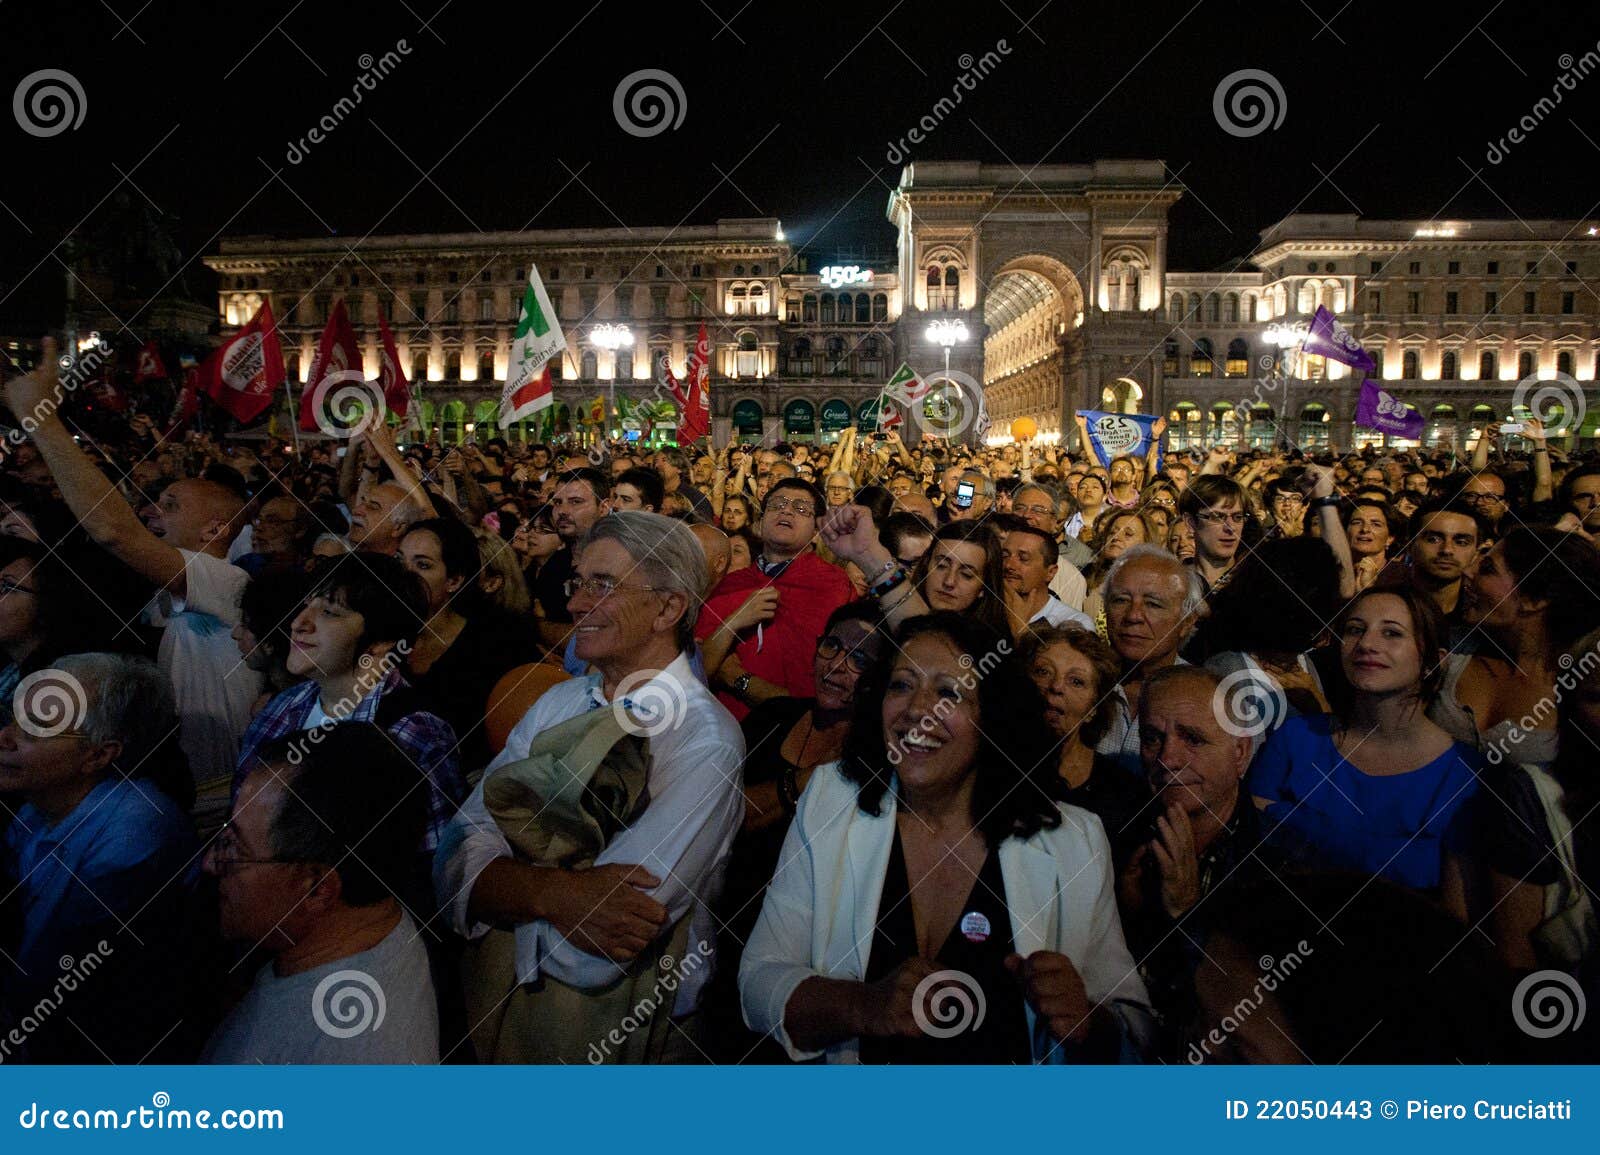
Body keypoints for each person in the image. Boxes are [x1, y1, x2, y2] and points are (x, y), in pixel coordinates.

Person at [739, 612, 1151, 1063]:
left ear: (993, 715)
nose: (917, 709)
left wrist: (1088, 1022)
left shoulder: (1074, 839)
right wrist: (865, 1005)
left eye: (949, 692)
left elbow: (1135, 1027)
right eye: (901, 684)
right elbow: (759, 982)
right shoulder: (831, 799)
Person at [436, 513, 744, 1062]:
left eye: (602, 586)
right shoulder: (558, 702)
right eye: (577, 584)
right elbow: (456, 852)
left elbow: (598, 948)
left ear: (668, 608)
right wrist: (553, 894)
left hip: (633, 1037)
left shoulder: (706, 740)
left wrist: (499, 893)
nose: (576, 605)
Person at [5, 347, 264, 781]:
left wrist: (41, 419)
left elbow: (113, 531)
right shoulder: (161, 587)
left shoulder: (228, 581)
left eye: (171, 506)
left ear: (215, 531)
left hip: (216, 792)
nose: (151, 513)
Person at [707, 601, 887, 1059]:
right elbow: (720, 817)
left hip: (808, 954)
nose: (838, 665)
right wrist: (804, 781)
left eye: (861, 658)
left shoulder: (878, 760)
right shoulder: (774, 718)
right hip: (723, 928)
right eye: (832, 645)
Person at [0, 653, 199, 1063]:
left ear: (99, 755)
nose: (5, 736)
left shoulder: (137, 835)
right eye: (15, 718)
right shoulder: (38, 808)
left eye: (36, 728)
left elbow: (45, 985)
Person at [202, 725, 438, 1064]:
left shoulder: (351, 1055)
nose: (209, 863)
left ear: (316, 889)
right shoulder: (370, 921)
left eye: (234, 848)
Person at [1247, 587, 1483, 891]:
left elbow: (1455, 909)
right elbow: (1253, 846)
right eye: (1356, 630)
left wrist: (1294, 821)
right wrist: (1393, 853)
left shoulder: (1464, 773)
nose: (1367, 644)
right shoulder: (1295, 739)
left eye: (1392, 634)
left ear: (1433, 662)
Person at [233, 554, 464, 861]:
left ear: (382, 641)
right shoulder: (285, 706)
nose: (299, 623)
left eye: (329, 612)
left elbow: (430, 865)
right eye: (306, 605)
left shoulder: (411, 734)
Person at [1117, 665, 1264, 1058]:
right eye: (1152, 738)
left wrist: (1186, 912)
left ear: (1240, 752)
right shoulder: (1111, 838)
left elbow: (1255, 1018)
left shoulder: (1282, 863)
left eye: (1193, 739)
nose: (1167, 758)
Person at [1429, 527, 1600, 768]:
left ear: (1535, 600)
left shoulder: (1585, 682)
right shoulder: (1450, 649)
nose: (1468, 571)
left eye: (1487, 569)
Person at [697, 480, 853, 721]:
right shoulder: (729, 584)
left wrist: (737, 678)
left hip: (805, 730)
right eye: (776, 505)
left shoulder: (835, 585)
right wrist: (733, 623)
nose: (786, 510)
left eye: (801, 508)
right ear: (759, 522)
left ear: (816, 530)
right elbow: (695, 673)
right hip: (724, 729)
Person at [396, 517, 540, 774]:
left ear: (454, 580)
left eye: (422, 565)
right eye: (399, 561)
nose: (405, 575)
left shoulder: (497, 644)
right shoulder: (379, 632)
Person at [1021, 625, 1151, 869]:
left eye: (1076, 681)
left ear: (1094, 707)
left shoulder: (1127, 797)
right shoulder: (993, 776)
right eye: (1043, 671)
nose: (1056, 687)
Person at [1095, 546, 1204, 775]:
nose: (1133, 616)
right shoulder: (1078, 683)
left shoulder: (1208, 701)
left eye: (1153, 604)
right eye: (1121, 600)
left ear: (1186, 621)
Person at [531, 468, 612, 650]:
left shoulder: (618, 563)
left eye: (576, 502)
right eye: (558, 502)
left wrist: (538, 626)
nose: (562, 511)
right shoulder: (554, 565)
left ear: (603, 507)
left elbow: (602, 638)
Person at [1401, 497, 1494, 633]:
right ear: (1410, 545)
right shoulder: (1382, 607)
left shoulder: (1486, 617)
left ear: (1476, 552)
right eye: (1433, 539)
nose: (1447, 550)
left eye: (1461, 542)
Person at [994, 514, 1093, 639]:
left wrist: (1021, 631)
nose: (1009, 565)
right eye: (1004, 556)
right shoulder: (982, 611)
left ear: (1050, 572)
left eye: (1023, 558)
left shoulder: (1074, 624)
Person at [1010, 482, 1089, 609]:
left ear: (1054, 521)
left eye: (1038, 510)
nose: (1026, 515)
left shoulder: (1072, 579)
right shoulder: (991, 559)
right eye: (1020, 508)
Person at [1177, 475, 1251, 596]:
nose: (1230, 527)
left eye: (1237, 517)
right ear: (1190, 522)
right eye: (1217, 517)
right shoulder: (1171, 582)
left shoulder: (1257, 581)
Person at [1080, 508, 1159, 620]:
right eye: (1112, 532)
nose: (1115, 537)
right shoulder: (1086, 575)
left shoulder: (1154, 587)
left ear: (1146, 543)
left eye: (1128, 534)